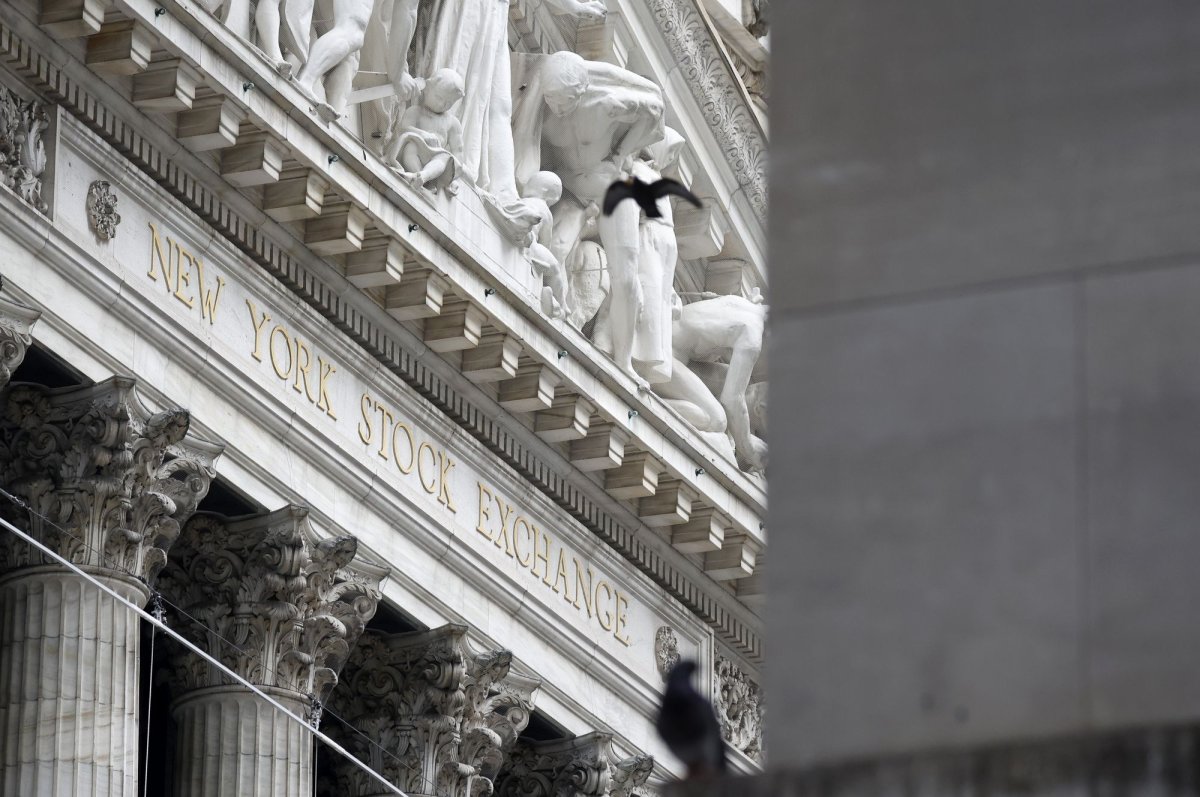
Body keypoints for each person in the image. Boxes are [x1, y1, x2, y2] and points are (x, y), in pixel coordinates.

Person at [512, 51, 665, 389]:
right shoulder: (541, 107)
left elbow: (655, 109)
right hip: (569, 190)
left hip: (610, 188)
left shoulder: (606, 103)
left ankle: (624, 362)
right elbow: (524, 144)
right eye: (553, 99)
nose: (558, 108)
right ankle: (556, 311)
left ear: (581, 92)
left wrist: (621, 153)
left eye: (565, 101)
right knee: (557, 247)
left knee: (625, 275)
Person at [384, 69, 465, 193]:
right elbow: (402, 129)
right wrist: (422, 134)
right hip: (413, 152)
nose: (442, 104)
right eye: (439, 97)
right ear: (428, 87)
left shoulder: (453, 123)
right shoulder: (415, 111)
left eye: (448, 103)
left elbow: (458, 153)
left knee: (445, 158)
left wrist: (454, 178)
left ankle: (422, 177)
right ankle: (416, 175)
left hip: (434, 161)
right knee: (411, 147)